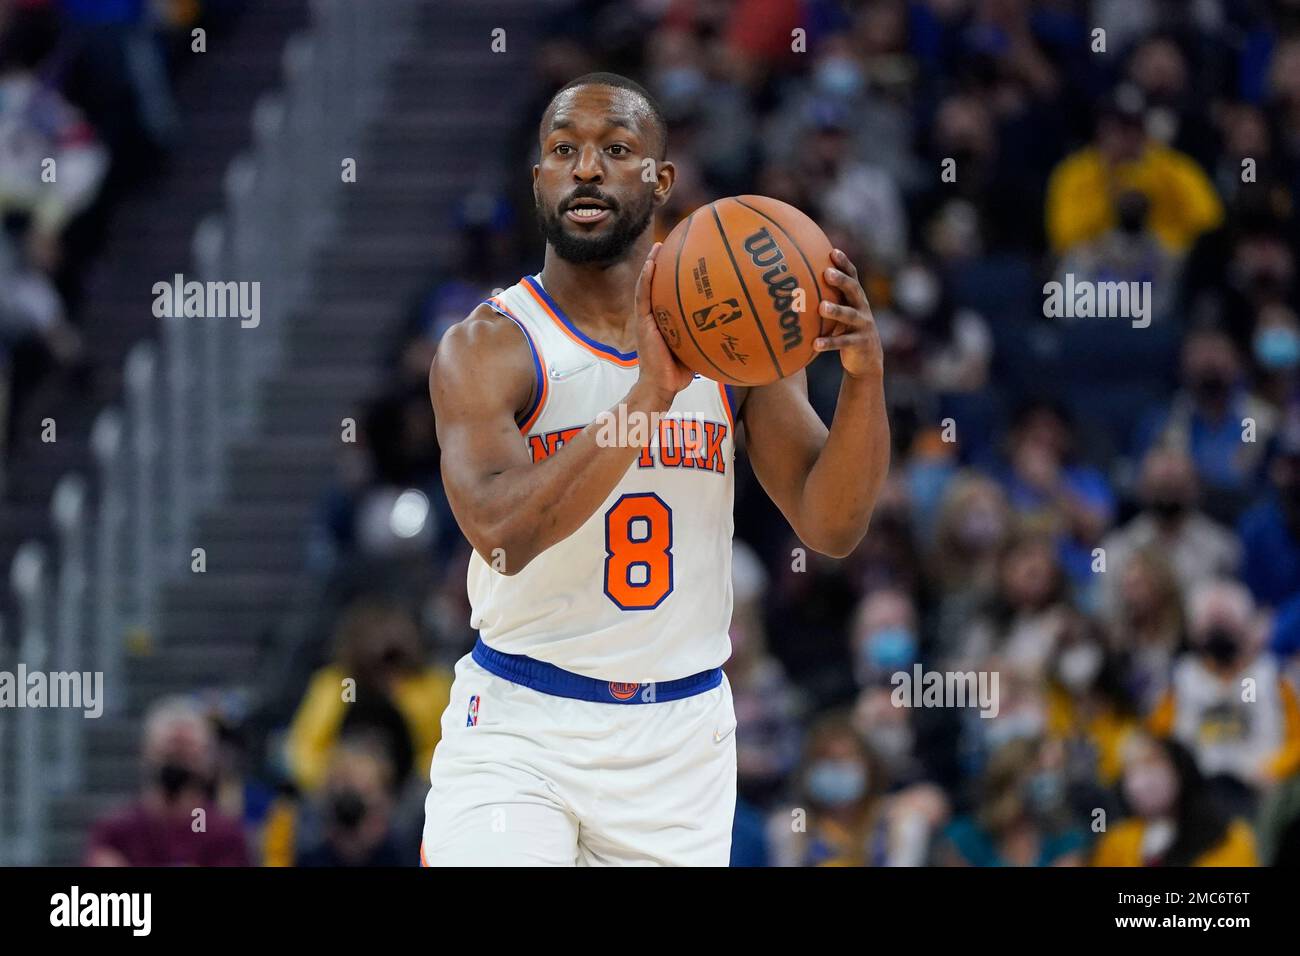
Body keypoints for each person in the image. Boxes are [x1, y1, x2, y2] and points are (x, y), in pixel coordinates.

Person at [420, 72, 889, 866]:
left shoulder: (736, 337)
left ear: (661, 179)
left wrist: (866, 383)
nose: (587, 168)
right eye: (563, 151)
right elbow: (501, 536)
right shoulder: (491, 345)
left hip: (680, 742)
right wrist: (645, 399)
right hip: (522, 723)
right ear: (540, 181)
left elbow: (831, 523)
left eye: (616, 149)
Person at [85, 697, 250, 867]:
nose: (177, 762)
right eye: (170, 750)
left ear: (207, 759)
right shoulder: (117, 830)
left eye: (187, 751)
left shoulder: (223, 835)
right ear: (147, 753)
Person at [1091, 734, 1258, 866]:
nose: (1142, 779)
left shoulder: (1230, 837)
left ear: (1181, 771)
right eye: (1132, 769)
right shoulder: (1116, 842)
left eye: (1152, 763)